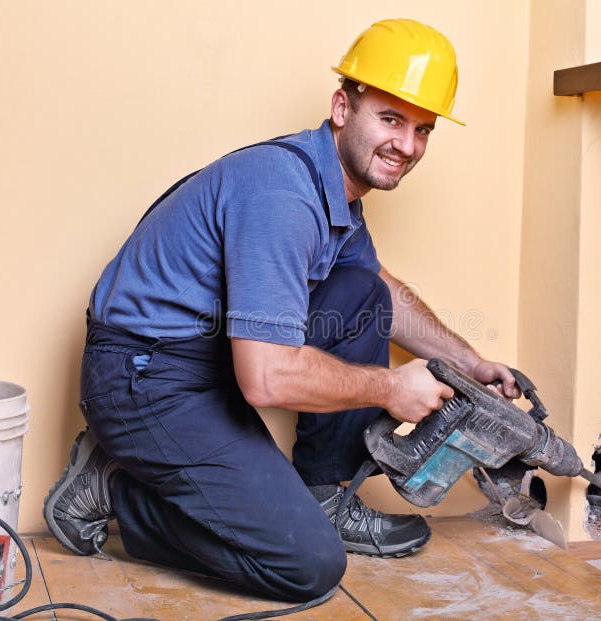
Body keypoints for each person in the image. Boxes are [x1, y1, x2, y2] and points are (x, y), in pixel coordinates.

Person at [43, 18, 519, 602]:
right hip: (143, 377)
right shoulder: (283, 194)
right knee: (308, 564)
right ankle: (114, 490)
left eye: (423, 129)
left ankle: (327, 494)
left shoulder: (333, 188)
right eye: (391, 119)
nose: (407, 145)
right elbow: (266, 378)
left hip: (204, 354)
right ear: (343, 107)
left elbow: (380, 291)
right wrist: (391, 388)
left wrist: (469, 364)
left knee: (361, 293)